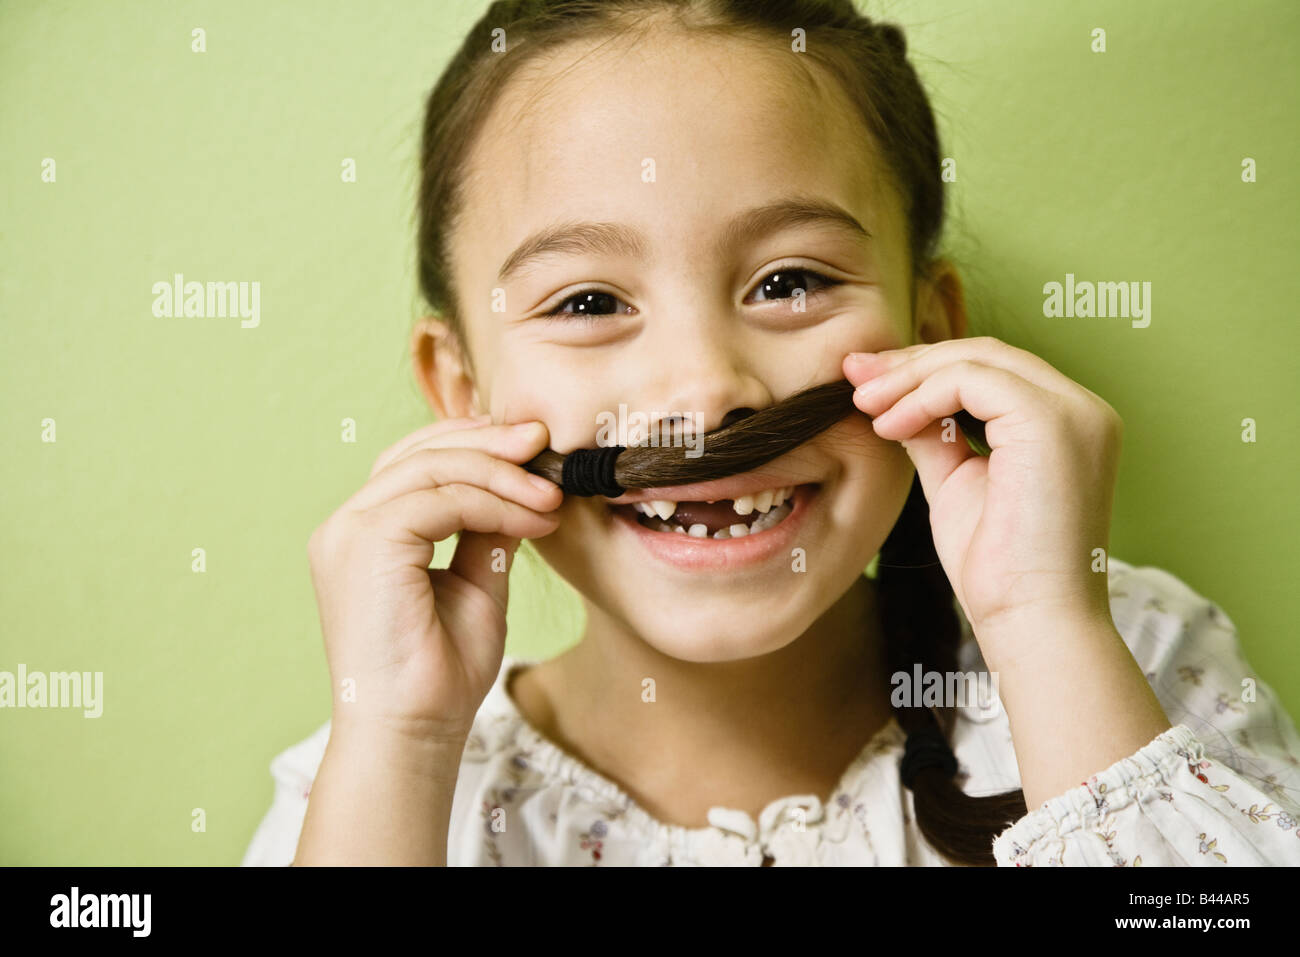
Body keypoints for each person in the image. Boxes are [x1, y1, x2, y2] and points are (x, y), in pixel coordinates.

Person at [242, 0, 1300, 866]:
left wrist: (1042, 623)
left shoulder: (1132, 664)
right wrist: (401, 743)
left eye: (788, 281)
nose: (704, 398)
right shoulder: (381, 783)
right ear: (461, 389)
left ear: (930, 333)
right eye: (585, 303)